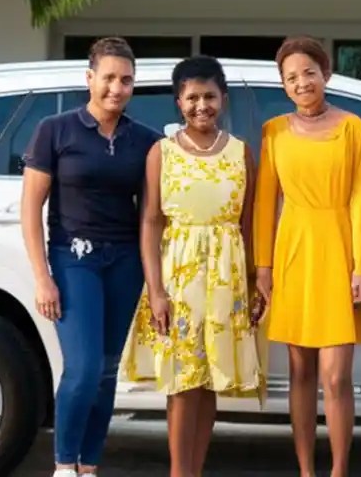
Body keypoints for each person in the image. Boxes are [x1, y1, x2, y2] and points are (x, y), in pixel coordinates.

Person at [20, 37, 163, 477]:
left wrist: (154, 285)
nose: (116, 88)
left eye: (126, 80)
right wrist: (43, 277)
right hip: (73, 257)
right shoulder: (55, 130)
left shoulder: (146, 141)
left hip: (124, 263)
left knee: (105, 371)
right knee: (81, 368)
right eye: (109, 78)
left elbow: (150, 217)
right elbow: (31, 208)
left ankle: (89, 464)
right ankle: (64, 466)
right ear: (89, 79)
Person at [119, 55, 264, 477]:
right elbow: (149, 222)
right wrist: (156, 290)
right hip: (178, 274)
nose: (202, 105)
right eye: (192, 97)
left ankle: (196, 470)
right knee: (182, 382)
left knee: (208, 382)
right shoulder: (161, 153)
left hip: (227, 275)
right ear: (178, 102)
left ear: (223, 98)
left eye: (210, 96)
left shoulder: (241, 153)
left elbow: (248, 223)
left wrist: (255, 282)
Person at [252, 36, 361, 477]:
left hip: (339, 252)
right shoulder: (273, 131)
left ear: (325, 74)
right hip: (293, 254)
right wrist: (264, 268)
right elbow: (266, 204)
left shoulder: (352, 128)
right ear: (284, 86)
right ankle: (306, 470)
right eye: (291, 77)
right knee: (300, 374)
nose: (301, 82)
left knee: (335, 377)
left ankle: (339, 470)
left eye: (309, 72)